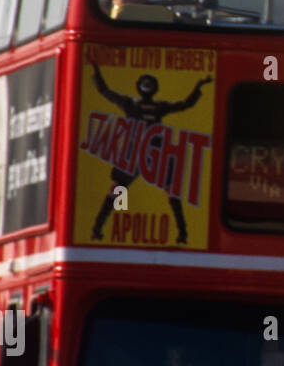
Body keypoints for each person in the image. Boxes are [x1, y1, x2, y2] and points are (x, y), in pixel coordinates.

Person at [86, 63, 212, 244]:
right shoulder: (146, 106)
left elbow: (105, 91)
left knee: (122, 190)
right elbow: (185, 105)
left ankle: (97, 229)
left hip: (144, 155)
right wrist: (199, 87)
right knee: (126, 190)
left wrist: (96, 71)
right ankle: (182, 234)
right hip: (147, 156)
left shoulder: (134, 104)